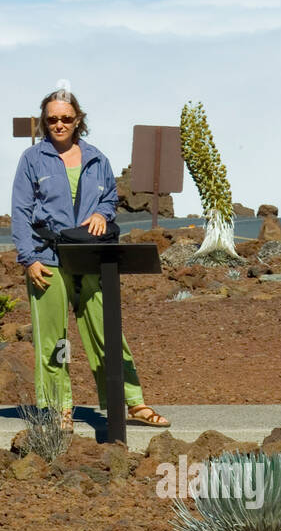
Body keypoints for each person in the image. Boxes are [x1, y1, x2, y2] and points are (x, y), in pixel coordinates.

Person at [11, 88, 169, 430]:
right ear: (44, 121)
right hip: (46, 257)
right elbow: (20, 212)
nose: (59, 124)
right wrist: (28, 259)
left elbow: (110, 198)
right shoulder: (32, 160)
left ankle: (131, 401)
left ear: (78, 120)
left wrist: (101, 212)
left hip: (88, 256)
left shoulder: (97, 158)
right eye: (52, 119)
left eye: (66, 118)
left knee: (107, 329)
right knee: (54, 340)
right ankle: (58, 408)